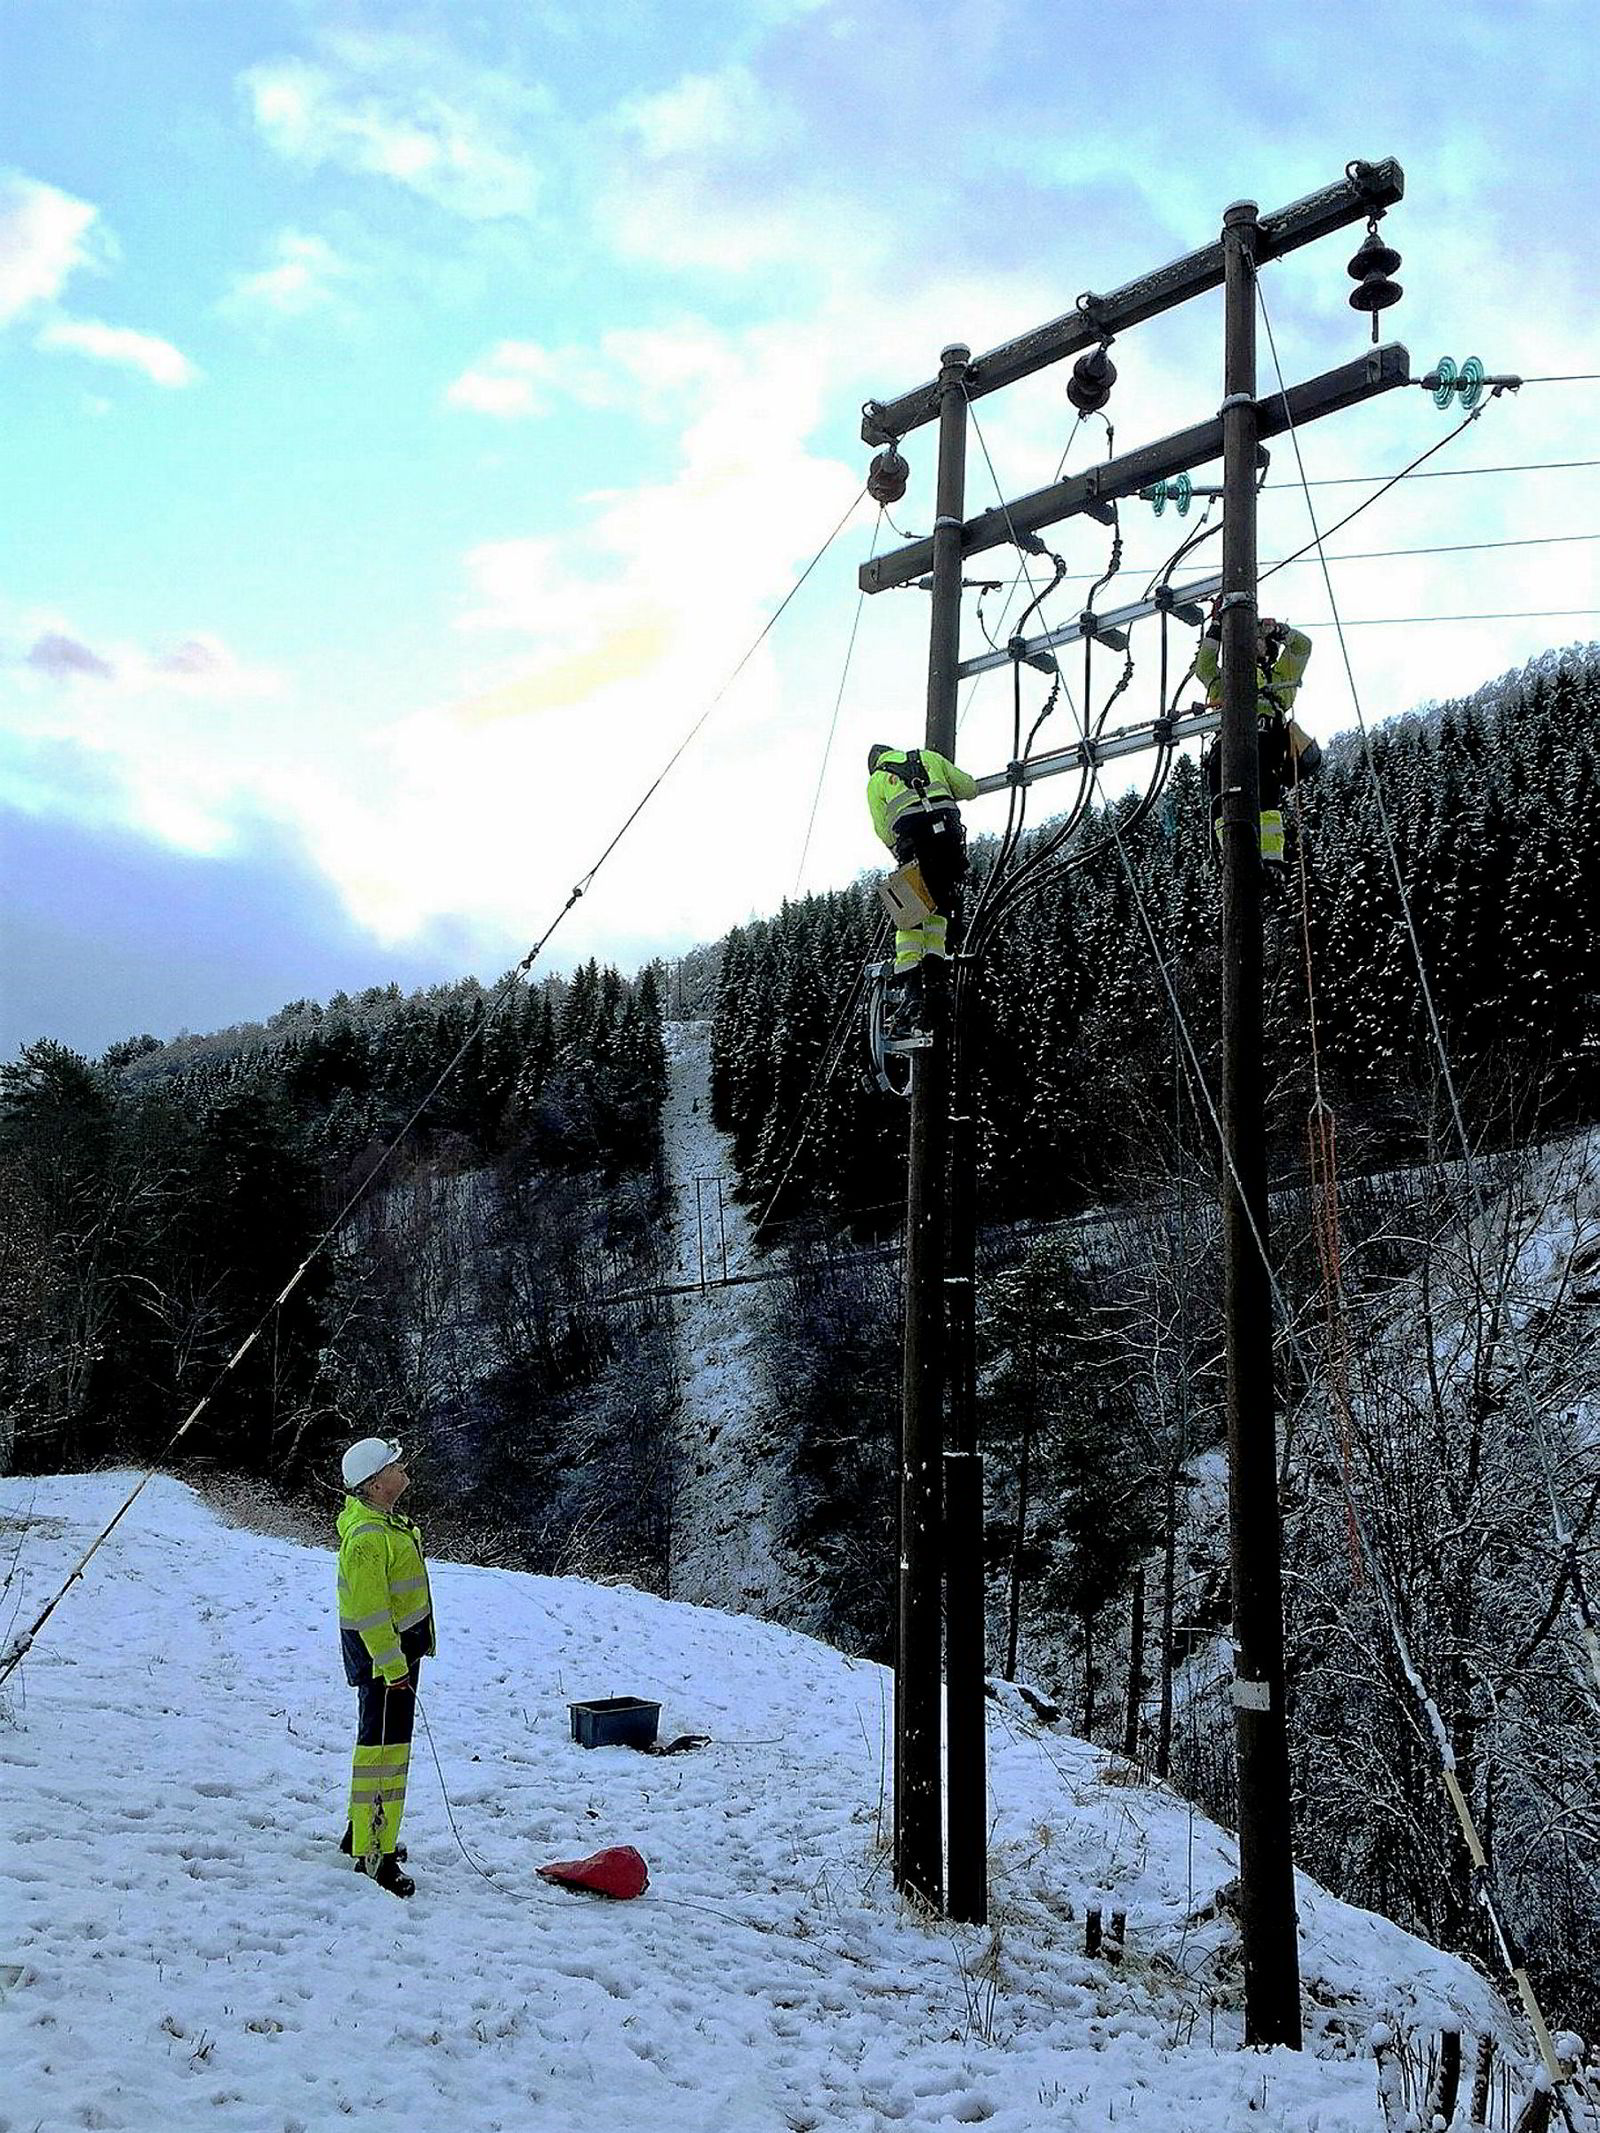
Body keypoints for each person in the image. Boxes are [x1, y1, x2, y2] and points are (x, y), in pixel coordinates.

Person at [336, 1438, 435, 1898]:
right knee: (384, 1755)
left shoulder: (384, 1524)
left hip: (394, 1658)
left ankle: (361, 1832)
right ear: (375, 1485)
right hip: (386, 1663)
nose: (403, 1468)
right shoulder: (368, 1539)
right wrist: (393, 1666)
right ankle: (375, 1852)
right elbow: (371, 1613)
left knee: (382, 1747)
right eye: (395, 1466)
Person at [1196, 611, 1321, 868]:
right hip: (1225, 747)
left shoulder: (1280, 676)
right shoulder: (1223, 679)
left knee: (1265, 800)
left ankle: (1271, 857)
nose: (1250, 642)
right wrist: (1216, 627)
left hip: (1265, 741)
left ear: (1269, 648)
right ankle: (1234, 857)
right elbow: (1204, 665)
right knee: (1223, 803)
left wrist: (1278, 631)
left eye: (1256, 638)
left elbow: (1302, 647)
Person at [866, 742, 979, 1027]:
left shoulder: (877, 780)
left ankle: (913, 990)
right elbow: (969, 788)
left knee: (909, 919)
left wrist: (901, 849)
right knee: (938, 913)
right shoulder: (929, 756)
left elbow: (883, 831)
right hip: (949, 847)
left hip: (915, 849)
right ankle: (937, 982)